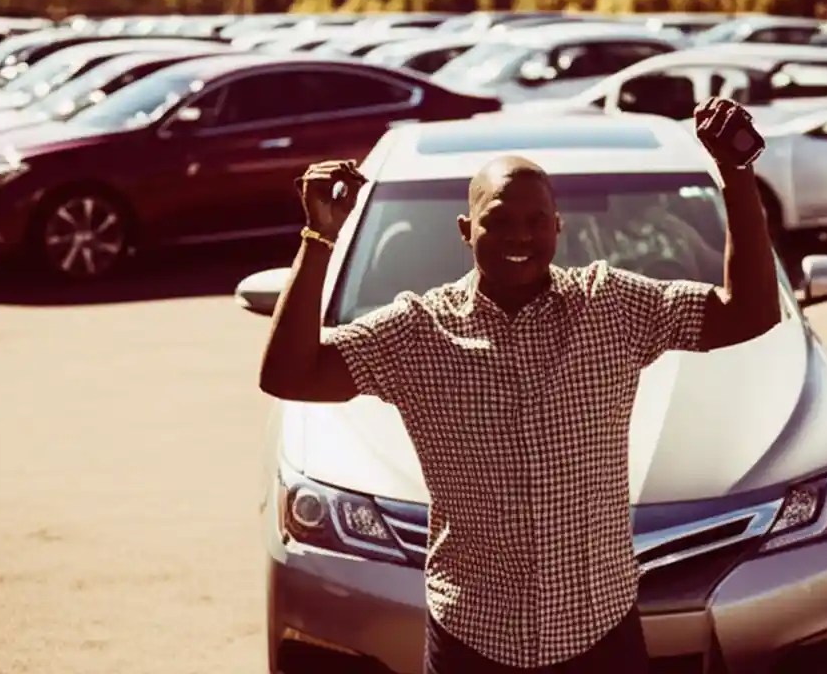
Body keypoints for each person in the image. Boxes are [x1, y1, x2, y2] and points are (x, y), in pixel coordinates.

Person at [258, 98, 781, 674]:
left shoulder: (612, 306)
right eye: (499, 220)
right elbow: (289, 374)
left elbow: (751, 311)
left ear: (558, 226)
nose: (520, 236)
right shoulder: (417, 332)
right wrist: (318, 238)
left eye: (536, 221)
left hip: (600, 635)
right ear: (466, 229)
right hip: (474, 640)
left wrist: (735, 173)